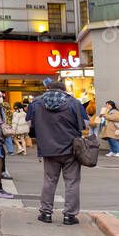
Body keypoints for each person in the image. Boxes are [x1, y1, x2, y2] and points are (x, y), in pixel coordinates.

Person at [28, 81, 85, 225]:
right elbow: (84, 125)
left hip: (48, 148)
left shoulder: (36, 103)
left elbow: (29, 125)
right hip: (71, 149)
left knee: (49, 180)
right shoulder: (74, 103)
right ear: (64, 90)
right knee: (72, 182)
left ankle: (46, 213)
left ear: (48, 89)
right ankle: (69, 216)